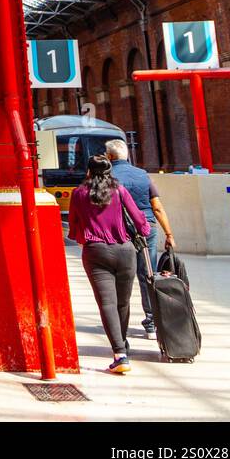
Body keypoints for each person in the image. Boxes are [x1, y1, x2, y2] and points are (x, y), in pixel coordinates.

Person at [68, 155, 151, 374]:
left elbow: (74, 228)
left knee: (107, 303)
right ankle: (122, 343)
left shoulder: (78, 194)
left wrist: (84, 238)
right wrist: (144, 232)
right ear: (109, 171)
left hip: (96, 252)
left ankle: (120, 352)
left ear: (88, 171)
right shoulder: (120, 190)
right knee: (123, 302)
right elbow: (138, 218)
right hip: (125, 251)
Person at [104, 138, 176, 340]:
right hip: (146, 228)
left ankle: (120, 324)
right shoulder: (143, 175)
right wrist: (169, 234)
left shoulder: (107, 176)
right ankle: (152, 322)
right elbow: (157, 207)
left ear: (109, 156)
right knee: (148, 273)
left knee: (119, 276)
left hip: (118, 230)